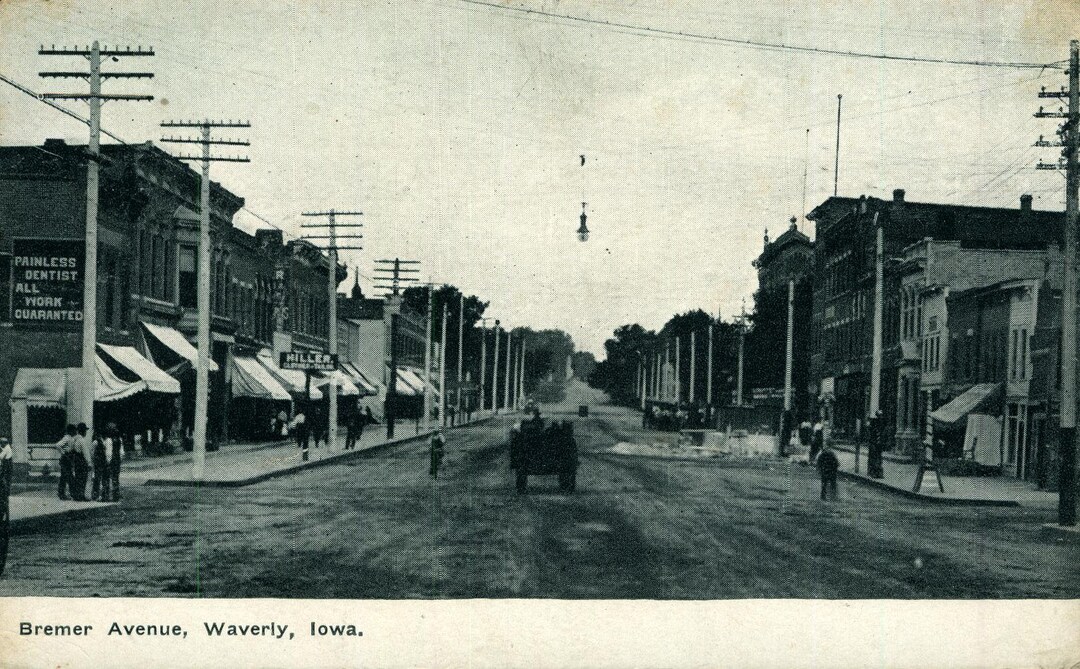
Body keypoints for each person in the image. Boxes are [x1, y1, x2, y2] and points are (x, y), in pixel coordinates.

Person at [55, 424, 77, 500]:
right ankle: (72, 493)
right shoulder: (67, 438)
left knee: (64, 477)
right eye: (74, 430)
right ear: (70, 431)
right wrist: (63, 452)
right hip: (65, 459)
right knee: (69, 477)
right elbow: (58, 445)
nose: (75, 431)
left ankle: (61, 493)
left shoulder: (70, 438)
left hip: (68, 459)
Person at [70, 423, 92, 502]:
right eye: (85, 430)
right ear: (82, 431)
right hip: (81, 460)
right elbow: (86, 453)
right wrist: (89, 463)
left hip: (76, 459)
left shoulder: (73, 439)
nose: (86, 432)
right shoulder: (81, 440)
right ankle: (80, 495)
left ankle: (76, 494)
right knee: (82, 478)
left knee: (77, 477)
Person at [105, 423, 123, 502]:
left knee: (107, 478)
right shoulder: (119, 439)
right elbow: (122, 452)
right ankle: (116, 494)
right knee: (116, 478)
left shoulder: (108, 440)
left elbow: (108, 453)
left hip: (111, 461)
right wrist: (119, 459)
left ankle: (107, 495)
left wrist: (108, 462)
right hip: (117, 460)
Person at [90, 427, 108, 501]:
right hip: (100, 462)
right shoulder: (98, 442)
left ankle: (97, 494)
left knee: (99, 479)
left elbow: (92, 453)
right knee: (99, 479)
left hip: (100, 462)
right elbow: (92, 453)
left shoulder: (96, 442)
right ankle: (100, 495)